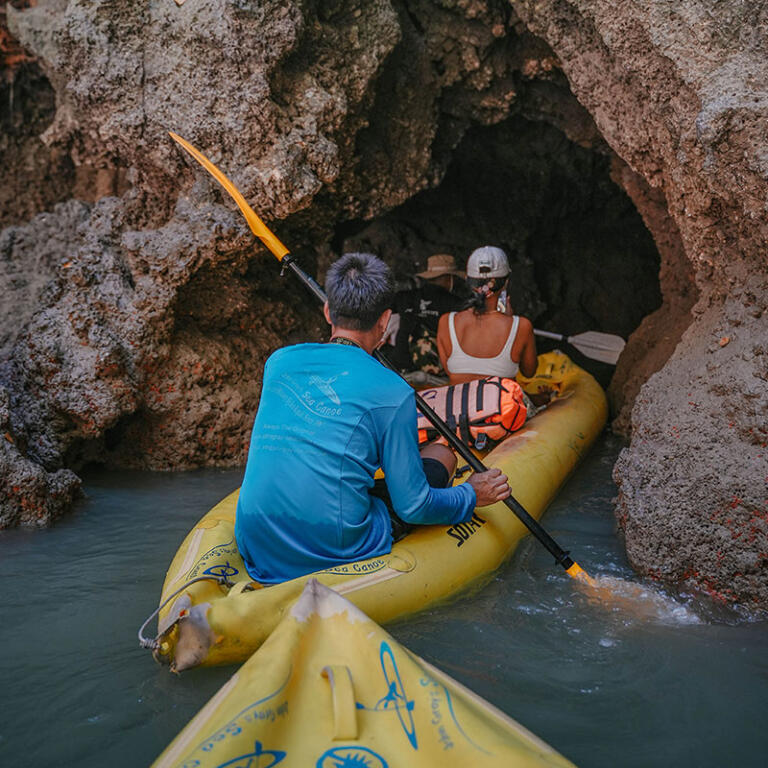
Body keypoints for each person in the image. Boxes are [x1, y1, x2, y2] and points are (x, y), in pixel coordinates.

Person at [235, 252, 510, 584]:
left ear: (327, 311)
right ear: (384, 321)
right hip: (335, 547)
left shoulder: (278, 363)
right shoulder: (394, 392)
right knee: (441, 454)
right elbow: (413, 507)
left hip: (255, 541)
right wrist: (470, 495)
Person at [437, 246, 538, 385]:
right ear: (506, 282)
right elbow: (529, 372)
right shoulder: (521, 326)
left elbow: (451, 372)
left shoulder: (446, 322)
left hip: (459, 405)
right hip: (500, 406)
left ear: (468, 280)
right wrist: (510, 321)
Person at [384, 253, 469, 377]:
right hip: (435, 371)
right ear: (448, 278)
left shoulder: (404, 297)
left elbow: (378, 315)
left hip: (399, 366)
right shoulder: (456, 303)